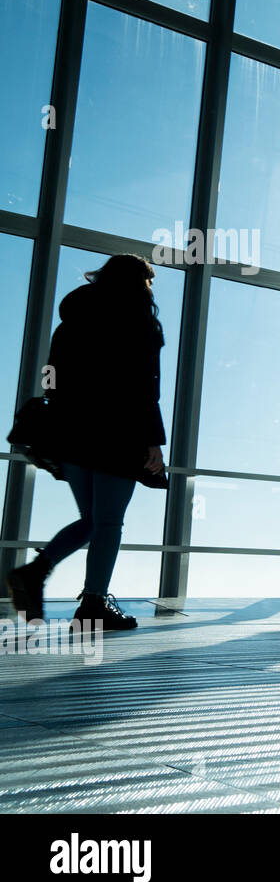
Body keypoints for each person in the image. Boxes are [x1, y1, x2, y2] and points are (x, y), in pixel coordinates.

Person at [6, 254, 167, 630]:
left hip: (71, 431)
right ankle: (91, 602)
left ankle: (39, 572)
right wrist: (153, 441)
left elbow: (51, 378)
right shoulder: (139, 321)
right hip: (118, 432)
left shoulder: (71, 321)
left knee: (93, 520)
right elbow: (145, 388)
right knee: (109, 523)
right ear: (140, 283)